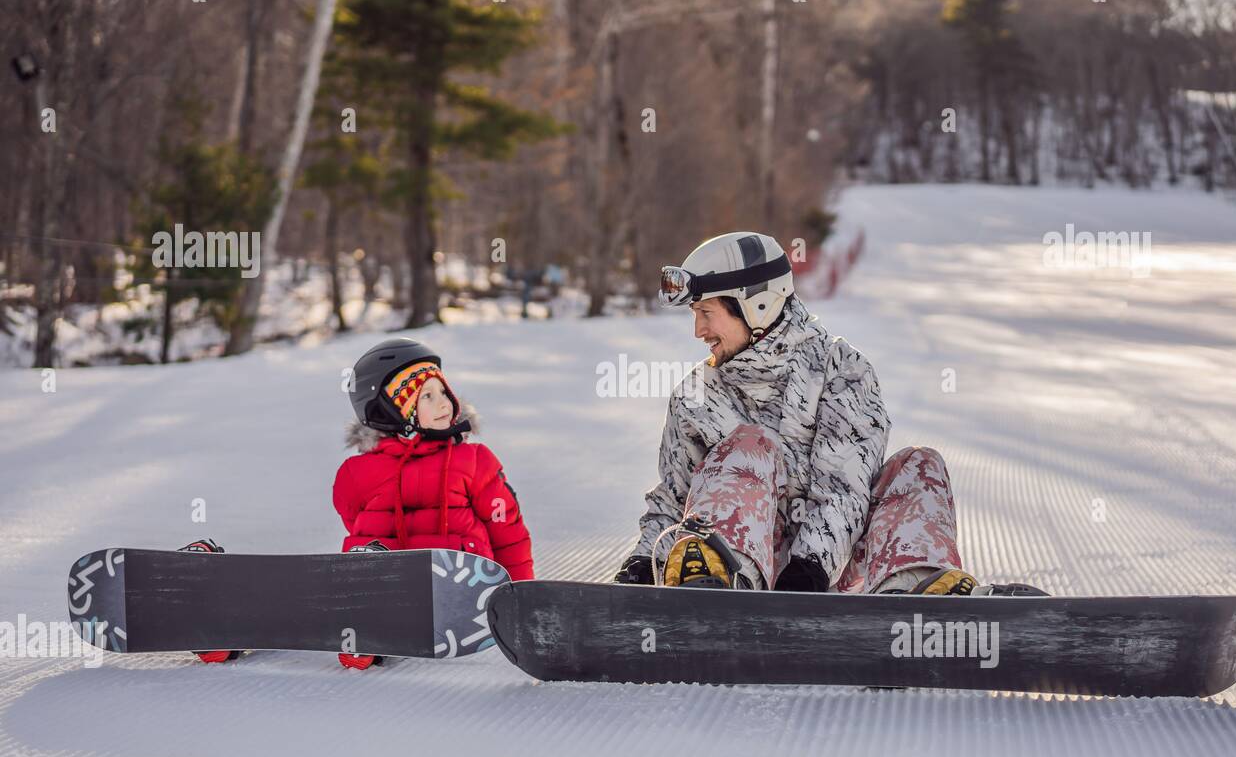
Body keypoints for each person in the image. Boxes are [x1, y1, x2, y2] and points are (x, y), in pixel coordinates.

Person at [614, 230, 1028, 597]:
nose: (698, 331)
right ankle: (714, 583)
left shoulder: (840, 369)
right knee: (749, 445)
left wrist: (808, 569)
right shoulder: (695, 394)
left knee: (919, 465)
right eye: (695, 315)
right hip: (743, 562)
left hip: (829, 567)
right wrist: (642, 560)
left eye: (707, 314)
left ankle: (914, 593)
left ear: (755, 307)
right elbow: (675, 494)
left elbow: (843, 488)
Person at [188, 337, 533, 669]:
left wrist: (523, 599)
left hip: (462, 593)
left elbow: (509, 533)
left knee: (369, 588)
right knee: (315, 595)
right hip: (386, 590)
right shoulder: (357, 472)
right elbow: (356, 523)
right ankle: (222, 616)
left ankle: (366, 626)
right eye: (426, 396)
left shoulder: (474, 460)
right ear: (391, 410)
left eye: (443, 390)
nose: (444, 402)